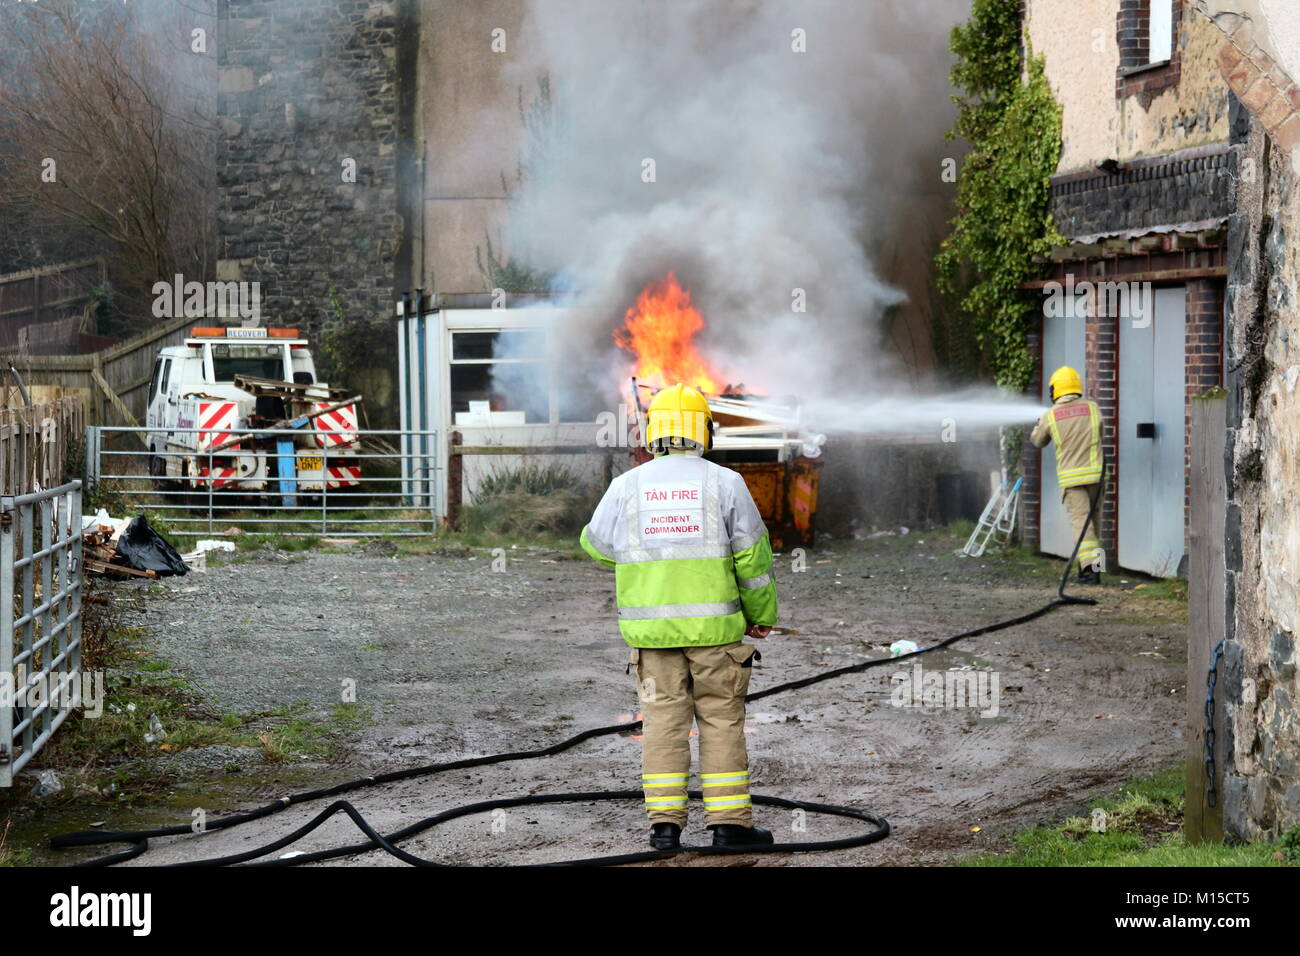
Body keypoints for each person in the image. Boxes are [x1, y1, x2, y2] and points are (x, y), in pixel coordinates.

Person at [579, 383, 779, 850]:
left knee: (662, 725)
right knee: (721, 721)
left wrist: (643, 564)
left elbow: (595, 544)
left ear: (655, 432)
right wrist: (760, 615)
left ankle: (665, 829)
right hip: (718, 637)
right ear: (704, 430)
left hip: (652, 639)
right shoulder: (726, 483)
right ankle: (730, 829)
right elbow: (752, 560)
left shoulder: (626, 485)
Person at [1031, 365, 1104, 583]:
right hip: (1097, 476)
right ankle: (1092, 568)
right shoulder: (1093, 408)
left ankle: (1091, 573)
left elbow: (1037, 441)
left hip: (1073, 479)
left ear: (1056, 389)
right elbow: (1100, 432)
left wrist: (1039, 425)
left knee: (1082, 524)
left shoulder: (1050, 415)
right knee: (1095, 524)